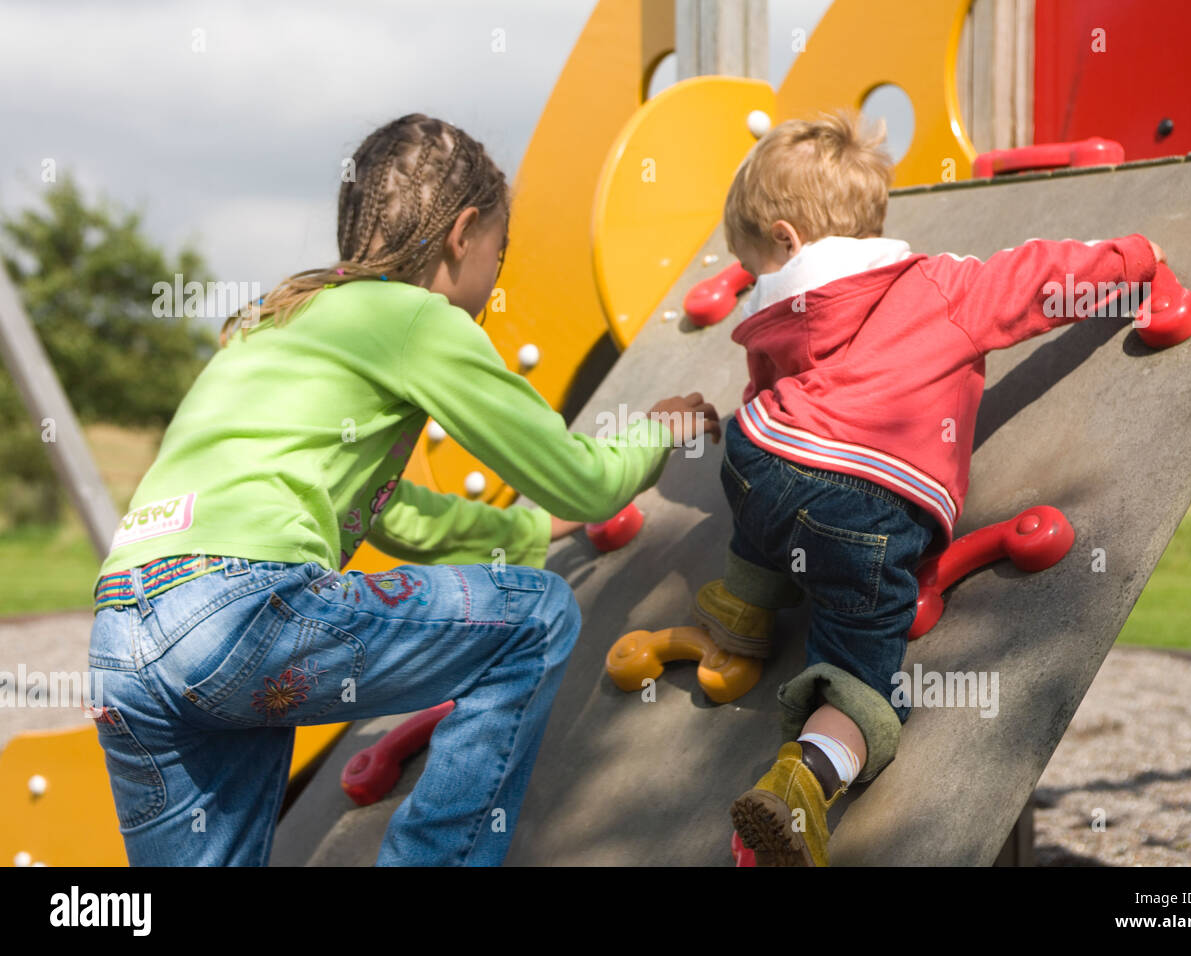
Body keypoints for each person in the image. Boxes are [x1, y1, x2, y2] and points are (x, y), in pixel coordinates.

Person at [87, 113, 718, 866]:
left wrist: (524, 532)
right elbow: (583, 480)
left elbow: (394, 518)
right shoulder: (419, 318)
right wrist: (653, 431)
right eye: (501, 252)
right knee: (535, 617)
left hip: (123, 634)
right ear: (465, 230)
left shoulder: (275, 319)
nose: (496, 273)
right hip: (240, 612)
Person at [697, 110, 1162, 866]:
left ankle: (747, 605)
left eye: (754, 267)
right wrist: (1133, 258)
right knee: (859, 673)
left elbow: (771, 387)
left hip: (760, 455)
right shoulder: (940, 285)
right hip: (866, 506)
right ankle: (803, 781)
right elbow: (1041, 280)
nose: (756, 282)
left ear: (785, 240)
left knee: (766, 505)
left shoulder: (779, 313)